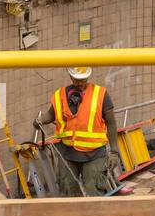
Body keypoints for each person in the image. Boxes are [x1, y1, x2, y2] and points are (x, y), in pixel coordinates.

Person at [36, 66, 119, 197]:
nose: (80, 83)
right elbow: (51, 115)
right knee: (69, 192)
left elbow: (111, 123)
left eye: (83, 79)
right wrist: (40, 120)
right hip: (67, 153)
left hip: (94, 154)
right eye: (76, 80)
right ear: (70, 76)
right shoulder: (60, 95)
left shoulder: (100, 94)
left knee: (94, 191)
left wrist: (114, 152)